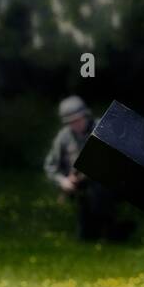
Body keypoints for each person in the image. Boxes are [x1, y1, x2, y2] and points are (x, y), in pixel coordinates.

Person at [43, 95, 131, 241]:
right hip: (81, 187)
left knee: (103, 204)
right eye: (71, 122)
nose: (76, 124)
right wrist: (63, 181)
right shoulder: (64, 137)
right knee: (85, 236)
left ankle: (113, 228)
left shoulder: (103, 128)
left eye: (78, 119)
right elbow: (50, 165)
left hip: (107, 183)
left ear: (86, 115)